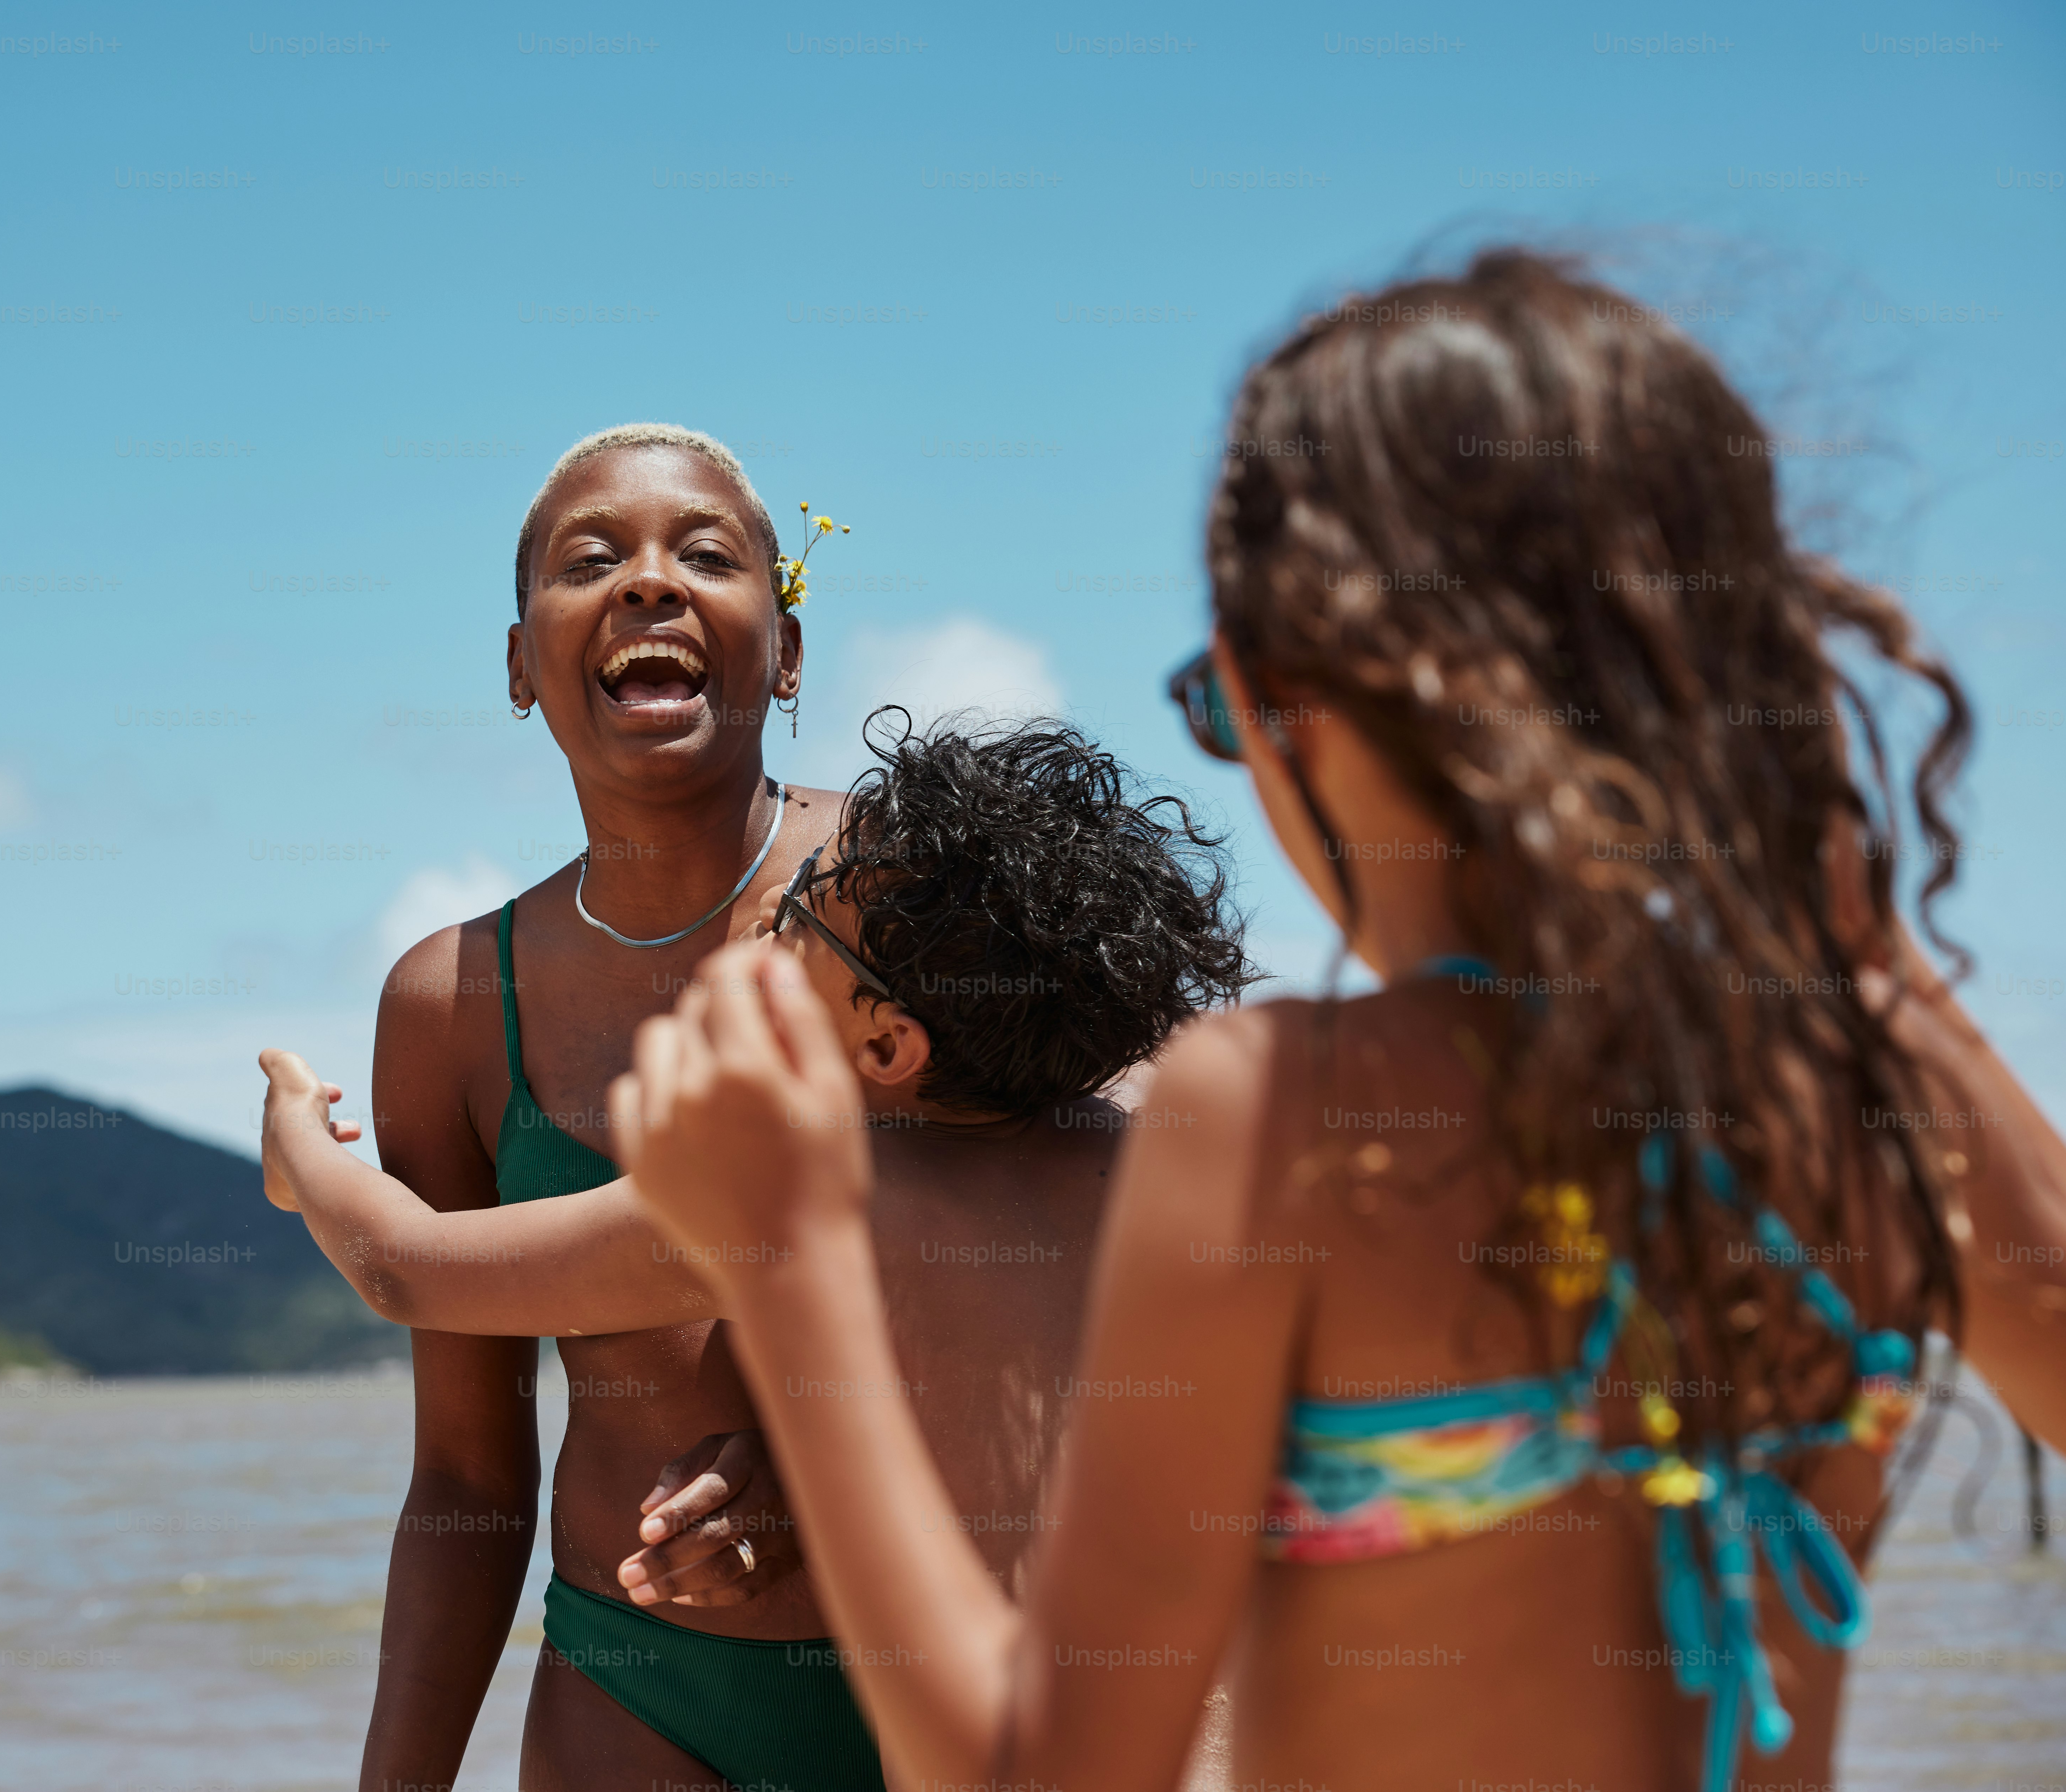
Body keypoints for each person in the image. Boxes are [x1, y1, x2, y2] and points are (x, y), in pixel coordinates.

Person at [603, 249, 2066, 1792]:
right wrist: (1869, 963)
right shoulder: (1865, 1073)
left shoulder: (1284, 1117)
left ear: (1295, 684)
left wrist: (793, 1258)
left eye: (1218, 708)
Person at [261, 715, 1251, 1629]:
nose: (776, 895)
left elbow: (406, 1265)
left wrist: (300, 1147)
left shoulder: (814, 1195)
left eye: (807, 915)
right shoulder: (1139, 1156)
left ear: (886, 1046)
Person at [306, 420, 866, 1792]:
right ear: (519, 668)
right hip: (635, 1688)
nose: (648, 583)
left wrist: (834, 1453)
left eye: (709, 555)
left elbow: (1080, 1255)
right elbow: (466, 1478)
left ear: (786, 652)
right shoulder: (449, 1006)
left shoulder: (898, 897)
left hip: (928, 1650)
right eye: (591, 558)